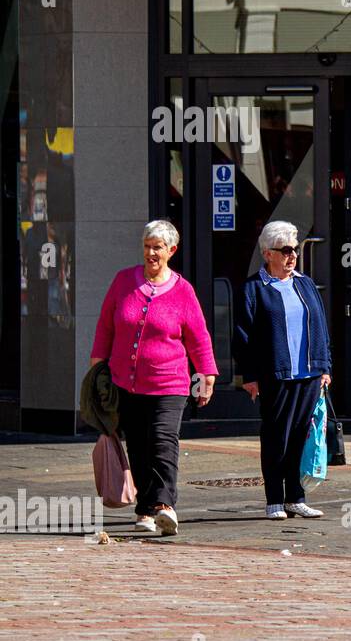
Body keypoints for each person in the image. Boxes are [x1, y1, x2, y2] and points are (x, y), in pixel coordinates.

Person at [90, 220, 217, 535]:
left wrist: (207, 373)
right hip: (126, 382)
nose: (151, 253)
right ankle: (145, 510)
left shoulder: (183, 291)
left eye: (157, 247)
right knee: (138, 445)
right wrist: (97, 370)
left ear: (171, 251)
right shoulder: (123, 282)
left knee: (162, 441)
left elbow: (198, 336)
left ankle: (165, 505)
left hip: (169, 383)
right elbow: (106, 326)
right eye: (147, 246)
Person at [232, 221, 332, 520]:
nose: (292, 256)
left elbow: (321, 327)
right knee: (277, 436)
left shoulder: (305, 283)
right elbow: (242, 335)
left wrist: (325, 366)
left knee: (301, 436)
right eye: (285, 250)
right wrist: (249, 376)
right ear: (268, 254)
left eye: (295, 250)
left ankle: (295, 497)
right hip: (275, 374)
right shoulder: (253, 289)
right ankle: (274, 498)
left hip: (309, 373)